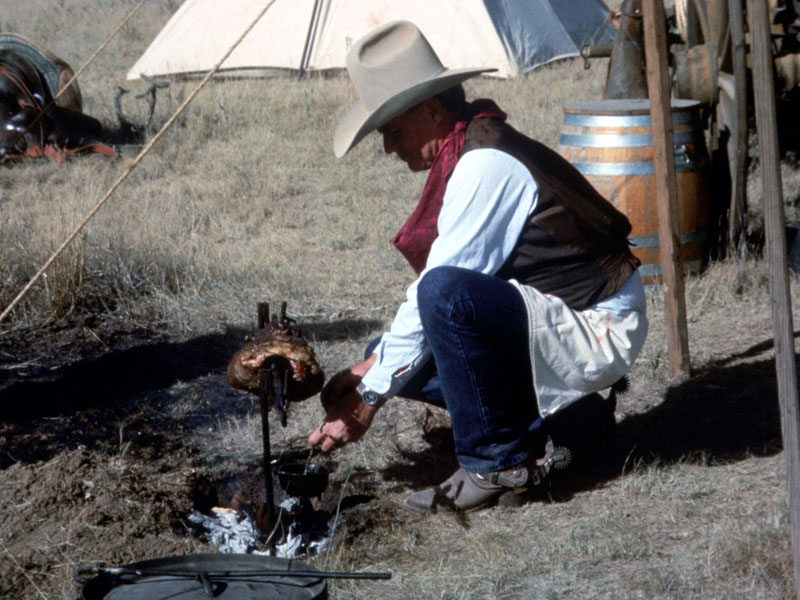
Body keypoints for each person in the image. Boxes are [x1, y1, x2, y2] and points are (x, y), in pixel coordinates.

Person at [308, 20, 648, 513]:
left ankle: (499, 463)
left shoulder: (484, 163)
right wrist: (371, 368)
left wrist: (365, 403)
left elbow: (441, 290)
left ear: (431, 110)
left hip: (596, 323)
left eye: (392, 130)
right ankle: (574, 422)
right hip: (560, 313)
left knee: (443, 297)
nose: (387, 147)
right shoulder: (468, 147)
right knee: (385, 353)